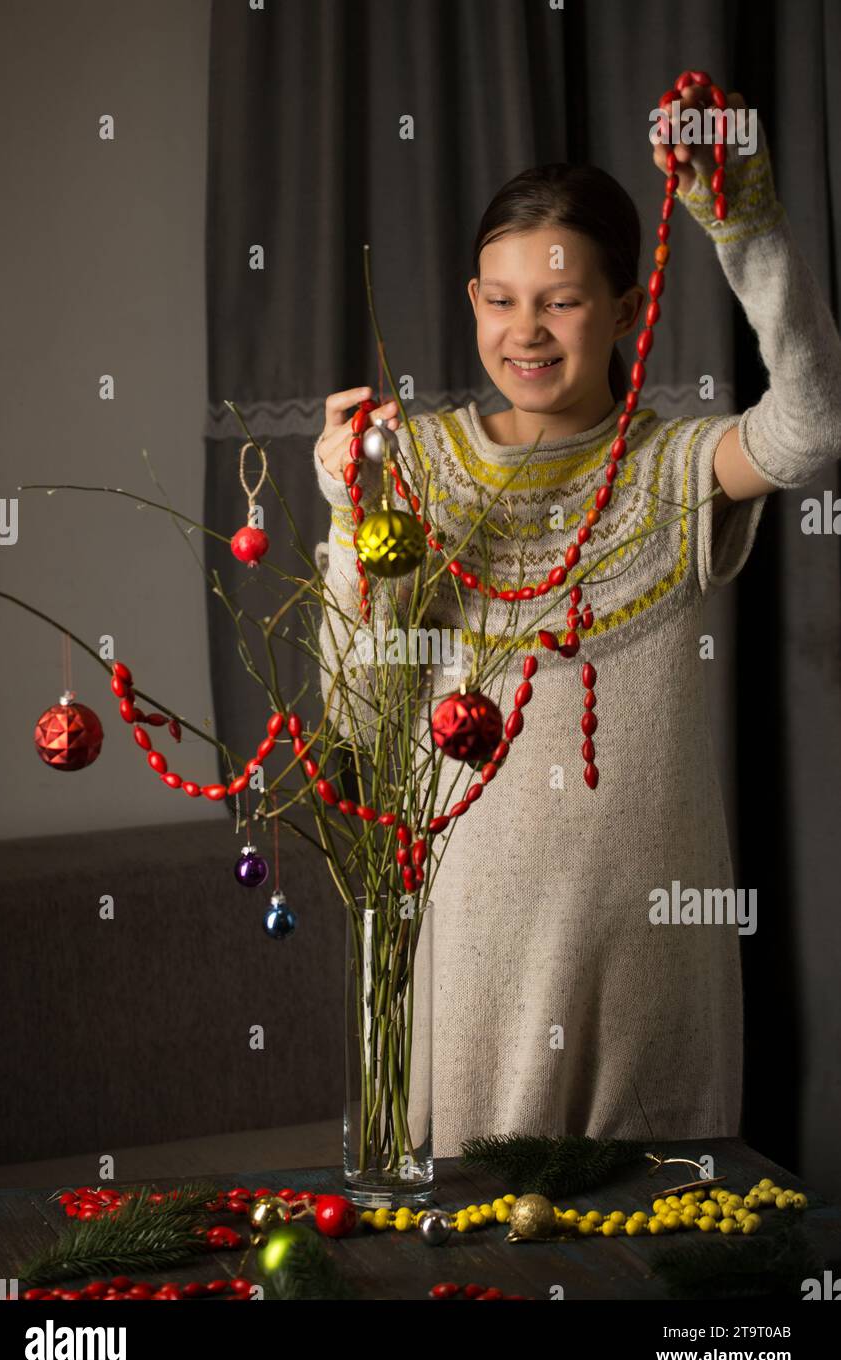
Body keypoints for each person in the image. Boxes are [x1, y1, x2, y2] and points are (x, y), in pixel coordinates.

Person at [312, 84, 841, 1156]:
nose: (526, 331)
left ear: (622, 304)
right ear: (471, 300)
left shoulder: (669, 468)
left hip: (650, 947)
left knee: (660, 1249)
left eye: (557, 300)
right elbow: (361, 718)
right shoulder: (409, 466)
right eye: (501, 300)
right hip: (471, 953)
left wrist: (747, 231)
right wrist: (347, 522)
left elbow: (811, 426)